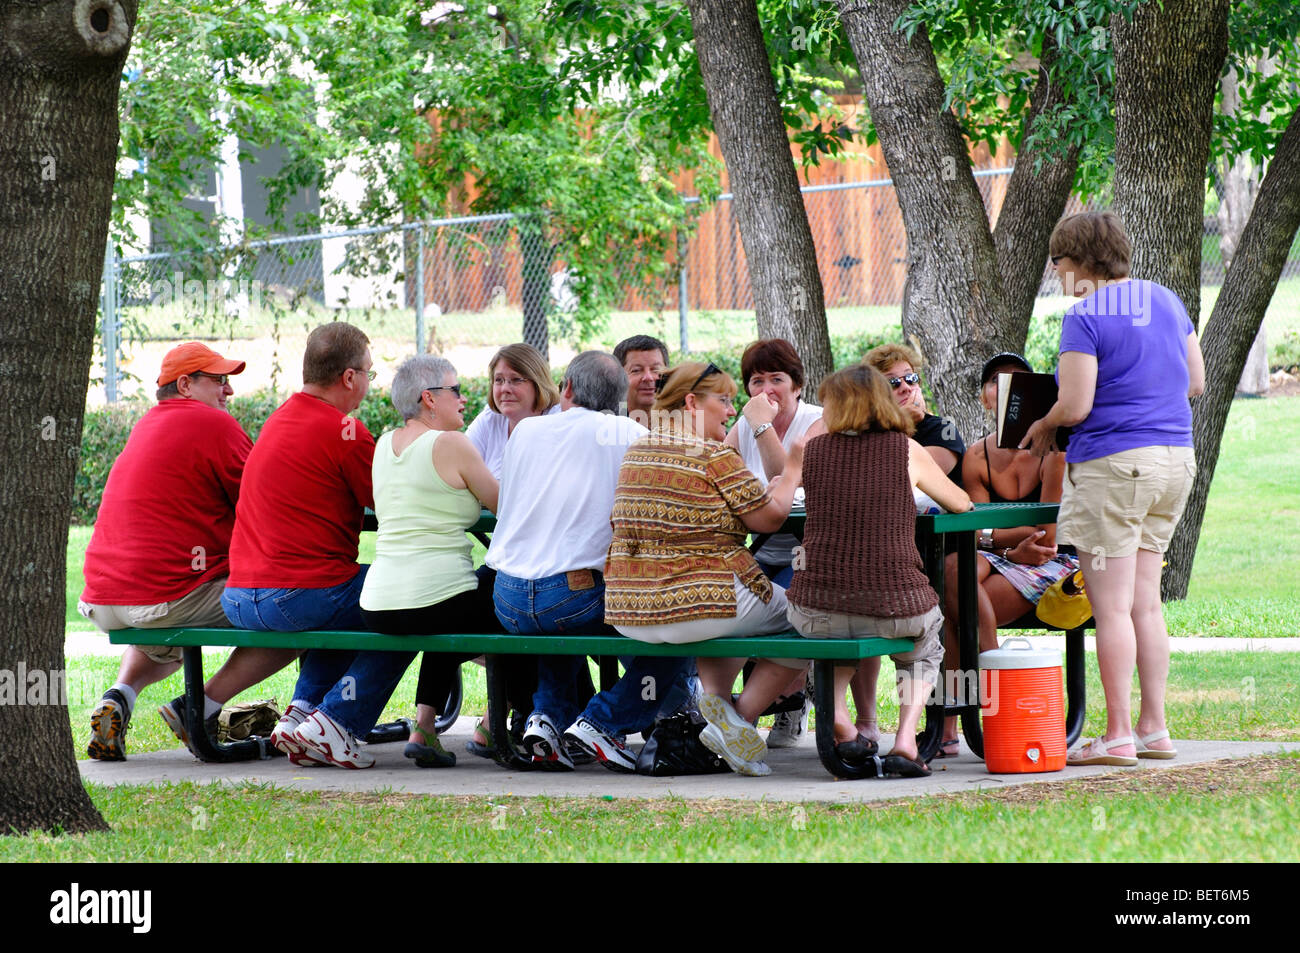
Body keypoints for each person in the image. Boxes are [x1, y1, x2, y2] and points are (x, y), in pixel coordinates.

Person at [1023, 210, 1203, 767]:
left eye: (1057, 263)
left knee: (1111, 607)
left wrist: (1045, 424)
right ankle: (1154, 728)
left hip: (1114, 467)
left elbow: (1076, 404)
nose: (1057, 275)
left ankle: (1119, 734)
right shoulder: (1167, 300)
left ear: (1078, 261)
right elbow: (1195, 383)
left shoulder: (1085, 315)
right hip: (1175, 462)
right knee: (1146, 604)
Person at [279, 355, 502, 769]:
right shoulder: (452, 444)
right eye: (455, 390)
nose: (464, 399)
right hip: (435, 598)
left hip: (380, 600)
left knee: (453, 612)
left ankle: (424, 728)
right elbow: (505, 504)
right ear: (428, 399)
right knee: (515, 610)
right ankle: (510, 727)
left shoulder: (383, 443)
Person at [602, 361, 806, 776]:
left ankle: (715, 700)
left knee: (729, 620)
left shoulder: (638, 449)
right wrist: (793, 471)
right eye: (724, 401)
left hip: (630, 611)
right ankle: (738, 717)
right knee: (810, 620)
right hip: (696, 604)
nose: (731, 412)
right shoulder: (713, 455)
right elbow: (769, 519)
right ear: (692, 402)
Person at [787, 364, 972, 778]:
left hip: (815, 608)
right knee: (924, 646)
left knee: (840, 635)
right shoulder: (905, 449)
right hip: (896, 604)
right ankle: (906, 740)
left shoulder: (811, 452)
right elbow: (961, 504)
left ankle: (839, 716)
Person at [80, 343, 256, 760]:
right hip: (167, 595)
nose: (227, 391)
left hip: (104, 600)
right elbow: (264, 502)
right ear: (185, 384)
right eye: (219, 380)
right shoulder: (213, 425)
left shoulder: (146, 426)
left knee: (167, 635)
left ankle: (119, 695)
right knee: (292, 606)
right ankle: (199, 708)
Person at [220, 322, 377, 765]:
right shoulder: (345, 430)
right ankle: (337, 722)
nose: (368, 382)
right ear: (349, 377)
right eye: (368, 372)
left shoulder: (277, 420)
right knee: (399, 602)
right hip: (294, 595)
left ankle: (301, 716)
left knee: (351, 599)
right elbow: (385, 499)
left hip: (239, 594)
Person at [487, 351, 649, 769]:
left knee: (557, 617)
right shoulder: (628, 432)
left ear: (568, 389)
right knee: (665, 633)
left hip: (506, 596)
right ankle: (606, 721)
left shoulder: (525, 432)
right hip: (573, 595)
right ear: (618, 397)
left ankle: (546, 719)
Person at [938, 352, 1078, 757]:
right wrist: (1006, 545)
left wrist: (1003, 540)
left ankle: (950, 723)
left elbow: (1046, 535)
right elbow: (975, 529)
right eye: (996, 382)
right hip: (999, 555)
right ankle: (991, 688)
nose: (1007, 391)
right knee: (953, 570)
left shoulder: (1053, 451)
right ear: (984, 398)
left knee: (954, 607)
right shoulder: (976, 456)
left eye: (1019, 382)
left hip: (1049, 561)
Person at [857, 342, 968, 743]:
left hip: (942, 552)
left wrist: (903, 426)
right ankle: (865, 724)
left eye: (911, 379)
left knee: (946, 623)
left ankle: (948, 728)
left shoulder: (942, 428)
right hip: (888, 556)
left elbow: (915, 483)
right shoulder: (864, 434)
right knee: (856, 616)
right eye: (892, 383)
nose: (905, 387)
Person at [723, 338, 825, 748]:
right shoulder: (741, 425)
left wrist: (763, 428)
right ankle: (716, 706)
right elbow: (718, 476)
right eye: (756, 380)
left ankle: (789, 703)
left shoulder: (818, 421)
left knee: (792, 602)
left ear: (797, 386)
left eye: (777, 379)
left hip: (810, 552)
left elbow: (789, 482)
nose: (766, 389)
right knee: (724, 603)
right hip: (759, 548)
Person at [465, 343, 561, 478]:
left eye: (516, 380)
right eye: (499, 380)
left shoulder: (557, 421)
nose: (505, 389)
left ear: (538, 384)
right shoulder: (491, 418)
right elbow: (460, 464)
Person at [613, 334, 669, 424]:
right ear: (617, 377)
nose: (648, 377)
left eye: (656, 369)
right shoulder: (609, 424)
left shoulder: (686, 422)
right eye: (636, 370)